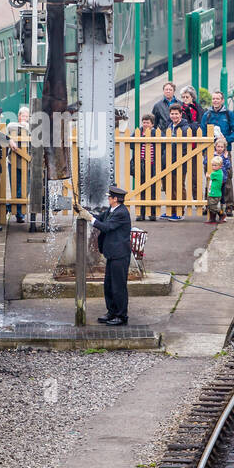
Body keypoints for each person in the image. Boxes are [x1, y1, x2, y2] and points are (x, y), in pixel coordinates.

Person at [77, 185, 132, 325]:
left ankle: (121, 316)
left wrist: (89, 218)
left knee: (118, 286)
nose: (108, 198)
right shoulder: (112, 210)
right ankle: (112, 312)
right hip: (112, 254)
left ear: (115, 199)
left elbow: (106, 227)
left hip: (120, 255)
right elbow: (99, 218)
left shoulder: (121, 213)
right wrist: (83, 211)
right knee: (108, 285)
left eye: (110, 197)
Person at [162, 104, 193, 220]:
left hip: (179, 162)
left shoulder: (185, 128)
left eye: (176, 114)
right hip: (168, 161)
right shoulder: (170, 126)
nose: (174, 116)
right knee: (168, 187)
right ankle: (171, 210)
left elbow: (185, 147)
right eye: (172, 114)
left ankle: (180, 211)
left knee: (178, 186)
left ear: (181, 114)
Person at [131, 113, 159, 221]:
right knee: (140, 189)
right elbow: (132, 145)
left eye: (147, 122)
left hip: (152, 164)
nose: (145, 124)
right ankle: (140, 213)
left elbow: (161, 147)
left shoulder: (156, 133)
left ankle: (152, 213)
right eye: (144, 122)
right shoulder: (137, 132)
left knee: (152, 189)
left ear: (152, 124)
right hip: (140, 165)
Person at [6, 106, 30, 223]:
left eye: (27, 116)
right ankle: (19, 215)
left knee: (25, 189)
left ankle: (8, 206)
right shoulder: (12, 126)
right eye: (22, 116)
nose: (24, 118)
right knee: (15, 188)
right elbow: (9, 127)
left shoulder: (31, 128)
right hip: (13, 162)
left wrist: (27, 126)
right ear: (19, 116)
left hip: (28, 163)